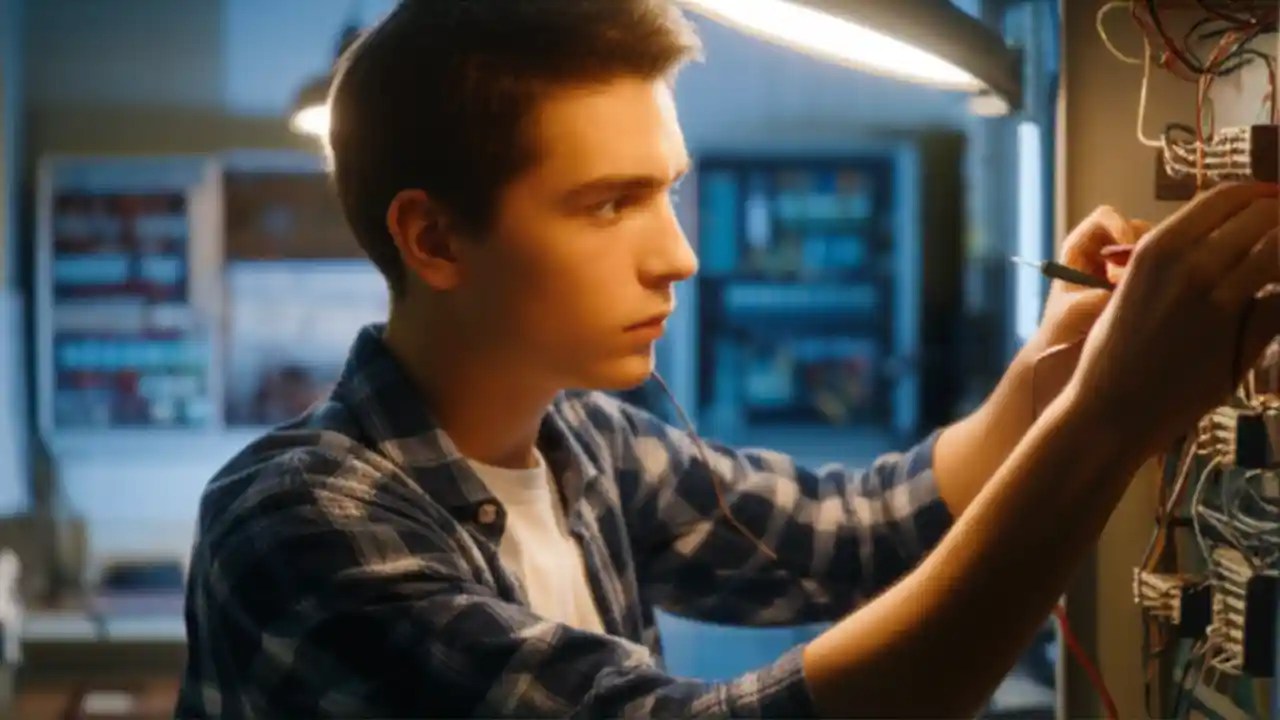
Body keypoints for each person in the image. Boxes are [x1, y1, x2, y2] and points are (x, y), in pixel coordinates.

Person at [175, 1, 1280, 717]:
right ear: (433, 237)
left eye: (666, 189)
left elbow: (857, 531)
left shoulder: (585, 449)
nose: (681, 256)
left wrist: (1056, 363)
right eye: (608, 205)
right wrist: (1108, 419)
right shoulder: (299, 525)